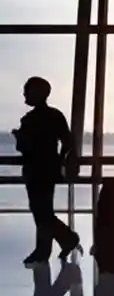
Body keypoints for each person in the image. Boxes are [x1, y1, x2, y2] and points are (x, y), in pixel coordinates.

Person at [13, 77, 80, 265]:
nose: (24, 94)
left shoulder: (29, 120)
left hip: (35, 170)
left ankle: (50, 247)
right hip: (48, 170)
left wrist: (19, 137)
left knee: (41, 211)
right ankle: (62, 241)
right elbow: (67, 142)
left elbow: (25, 148)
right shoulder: (55, 116)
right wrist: (59, 160)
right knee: (43, 211)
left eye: (27, 90)